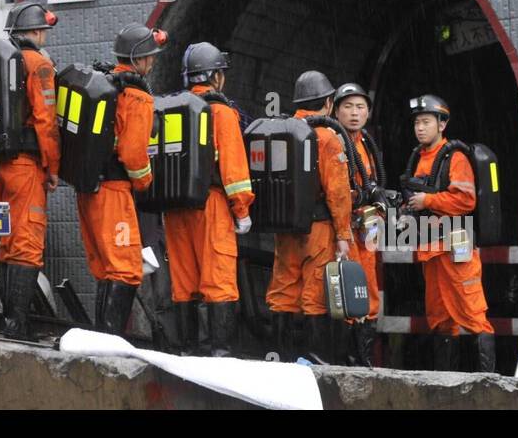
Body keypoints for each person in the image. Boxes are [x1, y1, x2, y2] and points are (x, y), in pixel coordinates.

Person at [165, 42, 254, 356]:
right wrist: (241, 209)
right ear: (216, 76)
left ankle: (187, 351)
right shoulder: (220, 111)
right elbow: (234, 168)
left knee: (183, 279)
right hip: (211, 204)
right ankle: (220, 351)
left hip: (174, 209)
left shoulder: (170, 107)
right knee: (218, 278)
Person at [78, 22, 163, 335]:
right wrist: (144, 183)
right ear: (138, 59)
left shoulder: (105, 85)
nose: (152, 63)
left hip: (90, 188)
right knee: (126, 268)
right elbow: (132, 154)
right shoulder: (137, 96)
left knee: (105, 267)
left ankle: (103, 338)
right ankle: (112, 340)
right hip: (114, 191)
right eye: (150, 57)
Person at [265, 71, 352, 362]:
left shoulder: (281, 129)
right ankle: (316, 359)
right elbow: (338, 193)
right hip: (317, 228)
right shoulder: (328, 137)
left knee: (283, 290)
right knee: (315, 292)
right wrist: (343, 235)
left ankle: (280, 356)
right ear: (328, 103)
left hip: (285, 226)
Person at [403, 94, 494, 372]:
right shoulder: (419, 158)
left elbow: (466, 201)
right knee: (440, 317)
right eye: (417, 122)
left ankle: (491, 384)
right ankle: (446, 384)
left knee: (472, 311)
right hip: (430, 247)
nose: (420, 128)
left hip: (456, 245)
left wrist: (427, 201)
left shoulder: (454, 157)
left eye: (426, 122)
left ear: (442, 124)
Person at [0, 1, 61, 339]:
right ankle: (17, 325)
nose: (46, 34)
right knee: (26, 243)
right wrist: (52, 167)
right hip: (25, 167)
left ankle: (8, 319)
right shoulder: (39, 65)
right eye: (44, 29)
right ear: (35, 31)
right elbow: (46, 121)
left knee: (3, 241)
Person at [333, 83, 384, 365]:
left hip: (367, 227)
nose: (355, 114)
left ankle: (363, 359)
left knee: (369, 291)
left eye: (360, 107)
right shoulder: (333, 141)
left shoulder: (365, 144)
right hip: (345, 228)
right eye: (348, 107)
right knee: (347, 290)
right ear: (336, 110)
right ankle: (349, 359)